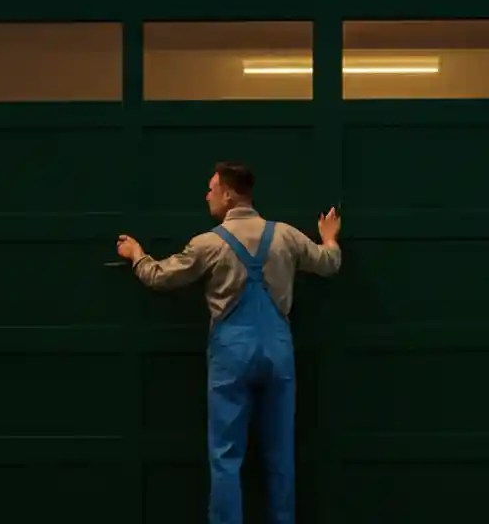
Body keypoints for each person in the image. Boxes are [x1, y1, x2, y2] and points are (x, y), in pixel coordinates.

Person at [115, 161, 342, 524]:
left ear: (228, 193)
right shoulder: (285, 235)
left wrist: (137, 255)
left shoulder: (208, 244)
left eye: (211, 188)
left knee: (225, 457)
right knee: (280, 455)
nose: (207, 195)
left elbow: (160, 277)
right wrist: (329, 236)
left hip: (230, 356)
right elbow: (329, 263)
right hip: (278, 353)